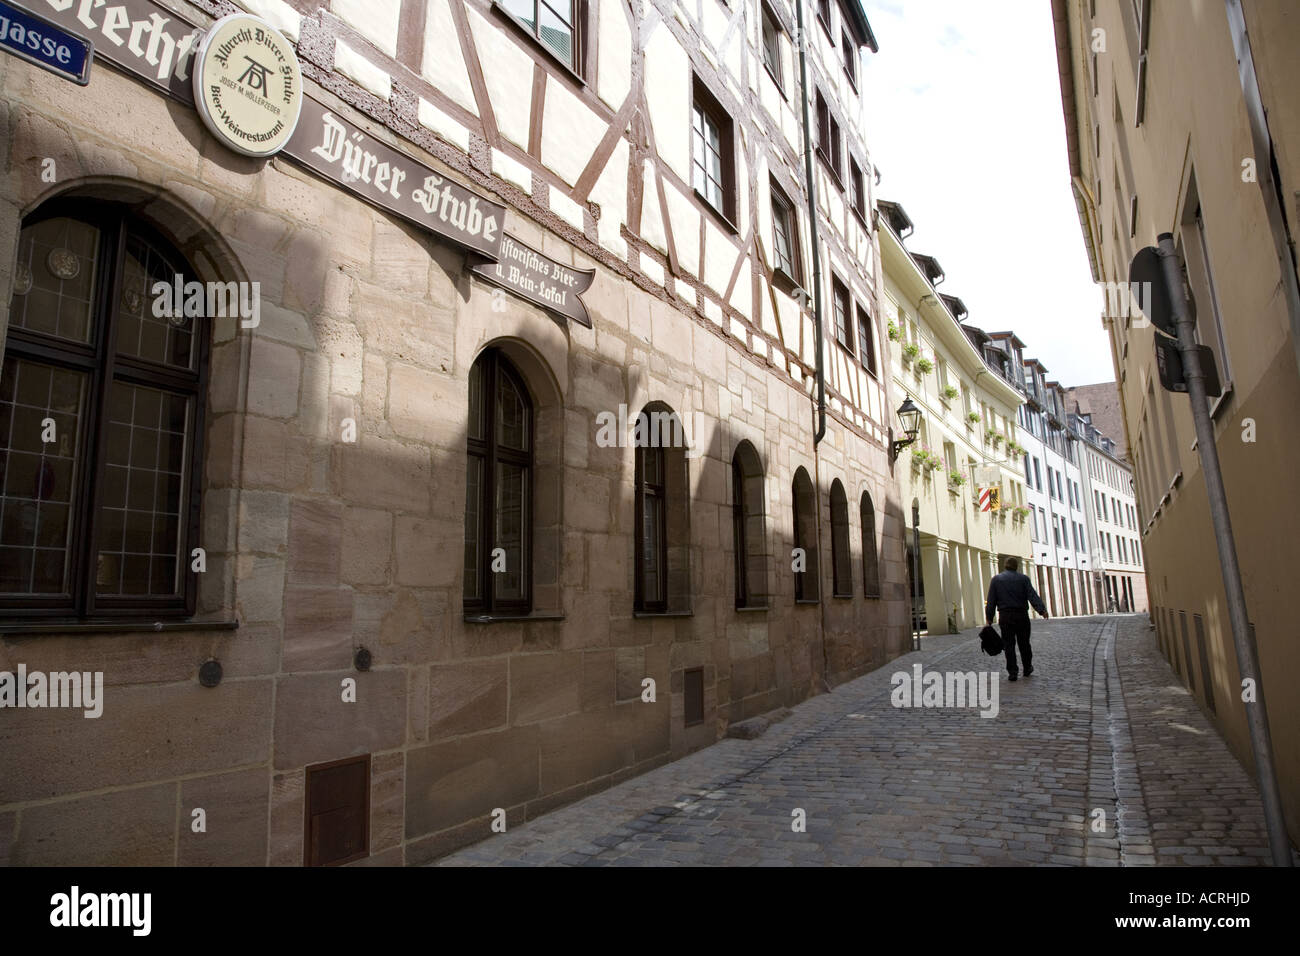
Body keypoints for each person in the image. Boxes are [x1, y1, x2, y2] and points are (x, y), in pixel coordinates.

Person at [985, 556, 1048, 681]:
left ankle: (1012, 672)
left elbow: (991, 600)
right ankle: (1027, 668)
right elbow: (1032, 595)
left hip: (1005, 616)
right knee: (1024, 643)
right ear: (1016, 566)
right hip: (1021, 615)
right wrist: (1041, 610)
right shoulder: (1023, 579)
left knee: (1008, 645)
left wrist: (989, 618)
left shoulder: (996, 580)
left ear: (1005, 565)